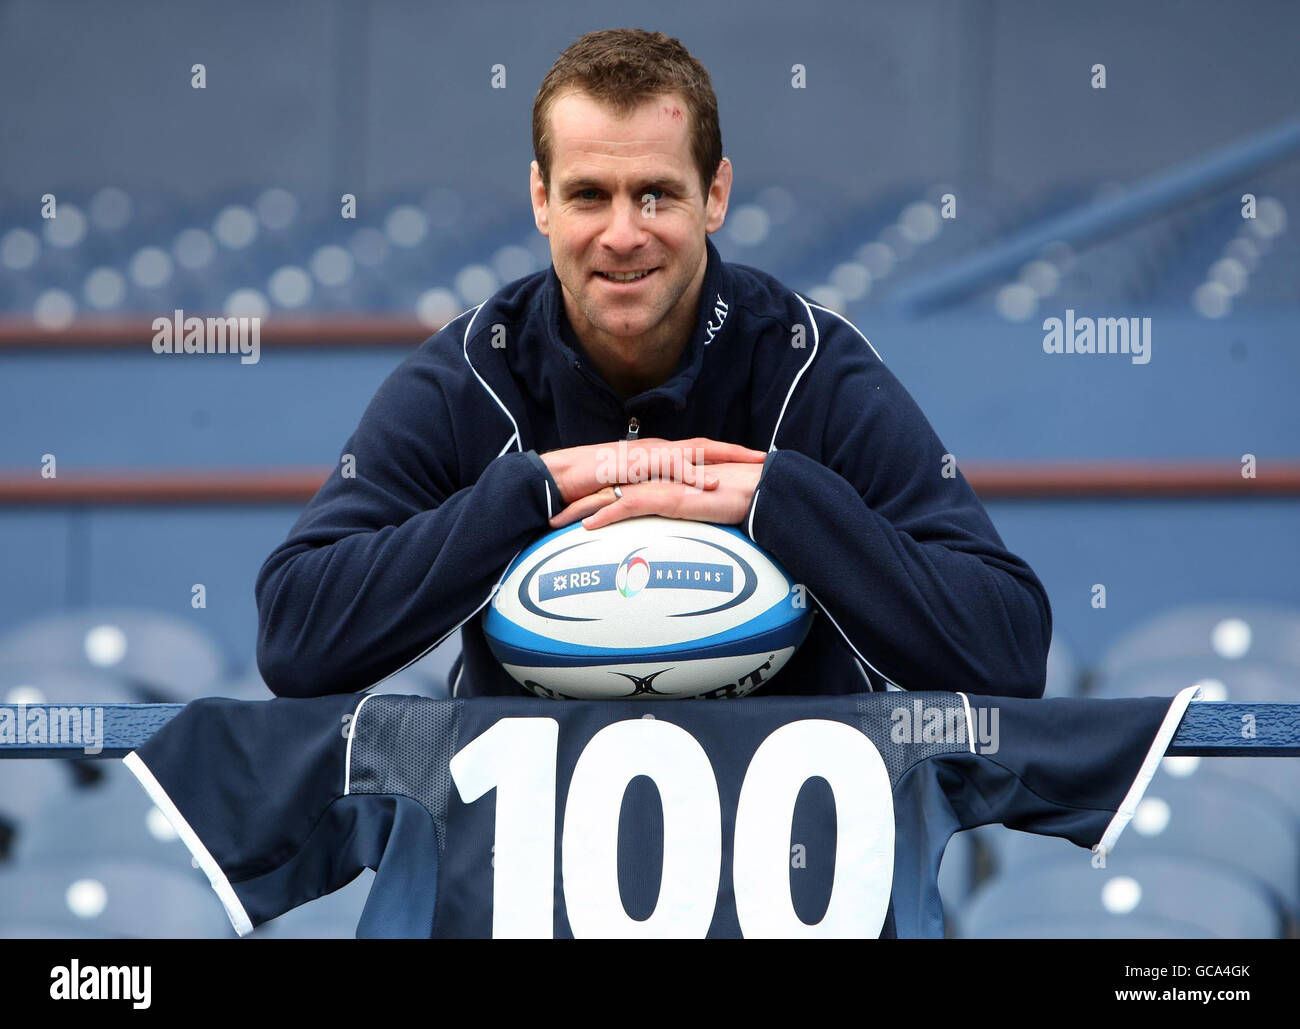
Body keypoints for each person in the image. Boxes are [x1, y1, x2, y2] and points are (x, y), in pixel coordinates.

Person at [255, 28, 1051, 700]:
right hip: (518, 872)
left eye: (657, 195)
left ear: (715, 194)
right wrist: (528, 494)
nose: (624, 232)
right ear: (541, 199)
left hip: (789, 871)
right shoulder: (472, 372)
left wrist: (782, 500)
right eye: (589, 194)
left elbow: (1008, 645)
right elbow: (295, 634)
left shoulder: (809, 367)